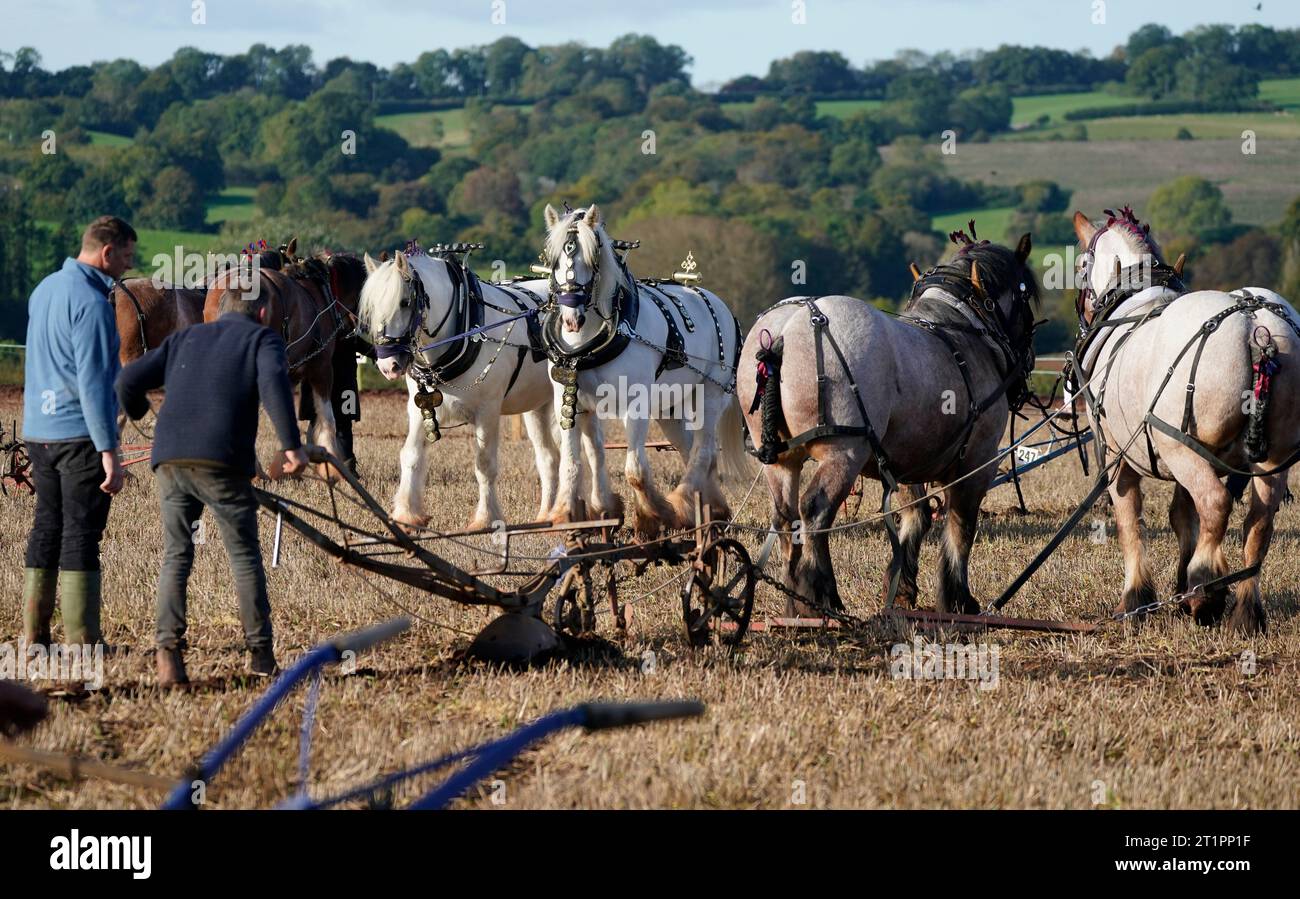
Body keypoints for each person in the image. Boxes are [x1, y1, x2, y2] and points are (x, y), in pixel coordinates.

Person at [116, 278, 309, 687]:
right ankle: (260, 657)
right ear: (262, 313)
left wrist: (139, 412)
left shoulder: (185, 338)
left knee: (177, 554)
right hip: (222, 460)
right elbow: (275, 385)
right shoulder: (263, 340)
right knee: (243, 557)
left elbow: (127, 382)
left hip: (168, 458)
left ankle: (168, 654)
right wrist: (292, 447)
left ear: (220, 308)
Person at [21, 216, 134, 651]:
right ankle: (83, 642)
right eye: (126, 256)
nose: (128, 265)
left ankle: (33, 636)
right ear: (107, 252)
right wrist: (109, 450)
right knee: (82, 533)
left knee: (45, 527)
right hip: (78, 436)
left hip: (39, 432)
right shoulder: (91, 302)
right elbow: (93, 382)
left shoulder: (44, 289)